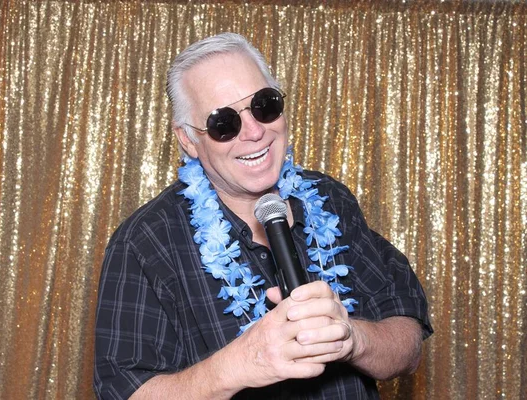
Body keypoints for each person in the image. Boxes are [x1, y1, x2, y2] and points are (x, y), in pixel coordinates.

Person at [94, 32, 433, 399]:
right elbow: (123, 393)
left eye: (264, 105)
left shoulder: (329, 199)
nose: (255, 132)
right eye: (223, 123)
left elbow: (408, 341)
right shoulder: (147, 241)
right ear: (189, 140)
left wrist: (353, 339)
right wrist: (241, 363)